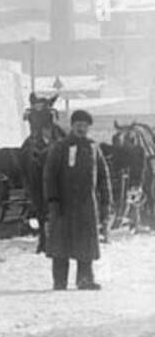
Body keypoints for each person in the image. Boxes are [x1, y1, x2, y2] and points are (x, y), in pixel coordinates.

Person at [42, 110, 111, 291]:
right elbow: (50, 176)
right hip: (63, 205)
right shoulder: (60, 147)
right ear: (72, 126)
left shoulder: (94, 148)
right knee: (60, 246)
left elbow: (104, 178)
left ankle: (85, 279)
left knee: (86, 244)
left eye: (85, 126)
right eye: (78, 125)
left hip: (86, 205)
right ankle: (59, 281)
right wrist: (53, 201)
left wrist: (106, 203)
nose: (81, 128)